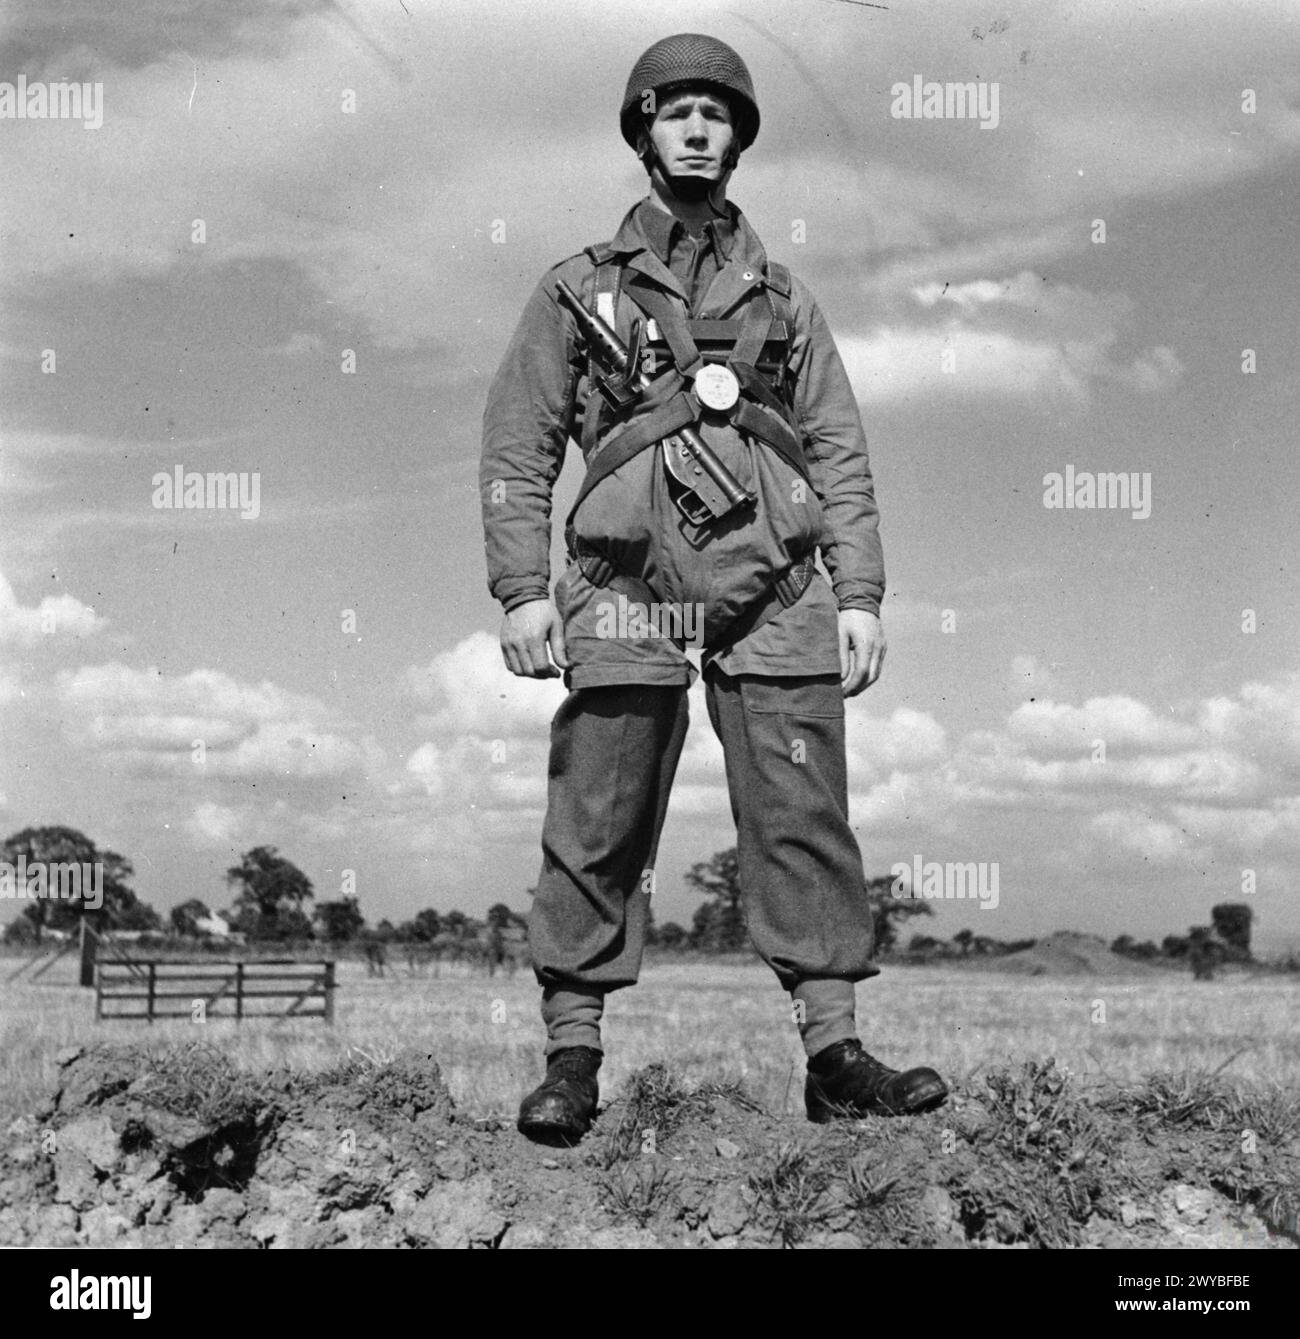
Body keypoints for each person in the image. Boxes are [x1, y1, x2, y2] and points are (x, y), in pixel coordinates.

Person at [480, 33, 948, 1143]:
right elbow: (519, 446)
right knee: (598, 812)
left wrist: (860, 594)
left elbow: (837, 449)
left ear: (740, 137)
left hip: (776, 582)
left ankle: (835, 1055)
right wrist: (520, 589)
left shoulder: (784, 300)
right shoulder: (577, 289)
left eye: (717, 113)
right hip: (623, 580)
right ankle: (573, 1056)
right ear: (642, 130)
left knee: (801, 812)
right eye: (673, 111)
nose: (696, 129)